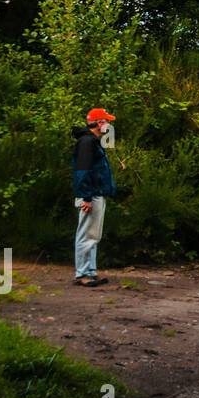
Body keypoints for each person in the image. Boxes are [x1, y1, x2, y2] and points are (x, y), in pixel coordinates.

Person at [71, 108, 117, 287]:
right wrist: (87, 197)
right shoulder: (86, 142)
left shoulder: (93, 142)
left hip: (96, 194)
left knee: (93, 235)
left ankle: (90, 271)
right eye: (107, 121)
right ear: (99, 123)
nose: (109, 125)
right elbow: (82, 171)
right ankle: (82, 273)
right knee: (85, 235)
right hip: (90, 195)